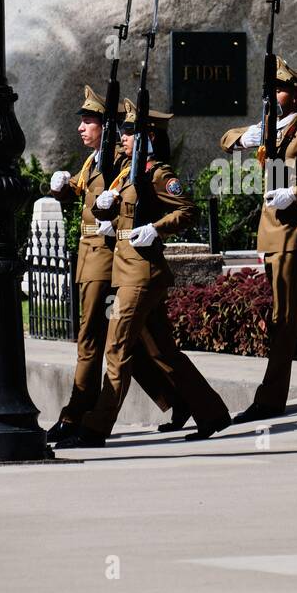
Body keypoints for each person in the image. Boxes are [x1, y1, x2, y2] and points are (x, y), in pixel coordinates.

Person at [56, 100, 231, 448]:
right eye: (123, 131)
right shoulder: (127, 174)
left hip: (141, 273)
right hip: (125, 270)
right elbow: (119, 221)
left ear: (148, 135)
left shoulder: (157, 173)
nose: (123, 137)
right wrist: (106, 216)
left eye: (130, 131)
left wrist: (156, 229)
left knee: (117, 349)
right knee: (164, 352)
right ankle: (212, 414)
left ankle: (95, 428)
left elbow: (188, 211)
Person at [45, 84, 182, 443]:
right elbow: (85, 192)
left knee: (97, 339)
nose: (81, 128)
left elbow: (135, 204)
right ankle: (179, 399)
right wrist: (63, 186)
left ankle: (78, 414)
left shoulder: (126, 163)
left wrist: (130, 226)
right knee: (139, 343)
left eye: (89, 121)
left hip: (110, 260)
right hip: (96, 257)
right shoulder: (95, 160)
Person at [218, 58, 297, 423]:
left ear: (296, 96)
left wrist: (296, 192)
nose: (272, 94)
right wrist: (248, 137)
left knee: (283, 319)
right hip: (273, 233)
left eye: (279, 88)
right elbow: (226, 140)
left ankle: (270, 400)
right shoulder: (271, 128)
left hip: (293, 233)